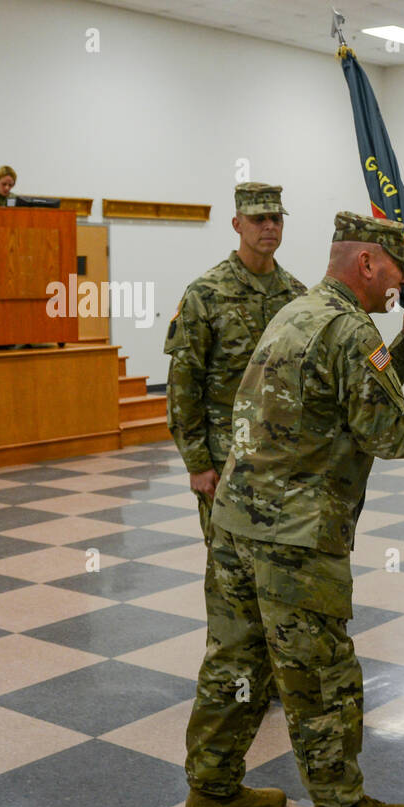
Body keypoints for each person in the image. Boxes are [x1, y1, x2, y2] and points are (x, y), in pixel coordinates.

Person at [182, 212, 404, 807]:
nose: (401, 285)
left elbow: (344, 389)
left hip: (237, 523)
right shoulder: (346, 328)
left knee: (236, 660)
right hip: (296, 537)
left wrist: (396, 350)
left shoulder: (300, 311)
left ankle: (211, 791)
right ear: (367, 263)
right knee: (319, 672)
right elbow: (391, 430)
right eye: (397, 271)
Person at [165, 183, 307, 544]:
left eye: (275, 218)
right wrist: (197, 463)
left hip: (282, 458)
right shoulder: (206, 294)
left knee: (277, 566)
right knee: (229, 572)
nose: (269, 226)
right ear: (236, 223)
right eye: (258, 219)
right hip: (225, 455)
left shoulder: (296, 295)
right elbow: (183, 384)